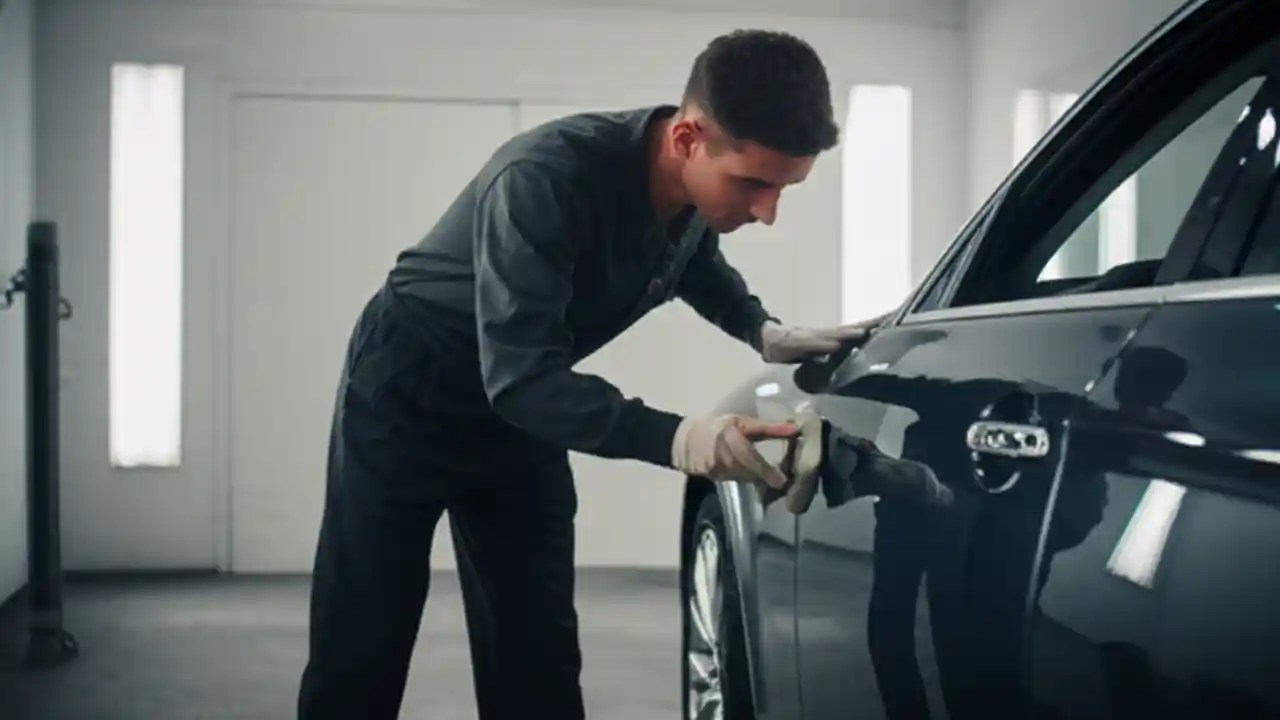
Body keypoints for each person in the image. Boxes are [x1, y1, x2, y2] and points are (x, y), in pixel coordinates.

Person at [296, 29, 880, 720]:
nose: (766, 212)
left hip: (529, 400)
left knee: (536, 640)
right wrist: (685, 440)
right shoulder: (543, 178)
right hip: (408, 389)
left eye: (785, 188)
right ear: (688, 138)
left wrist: (760, 328)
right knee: (366, 627)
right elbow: (516, 377)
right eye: (752, 183)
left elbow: (693, 259)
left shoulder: (690, 190)